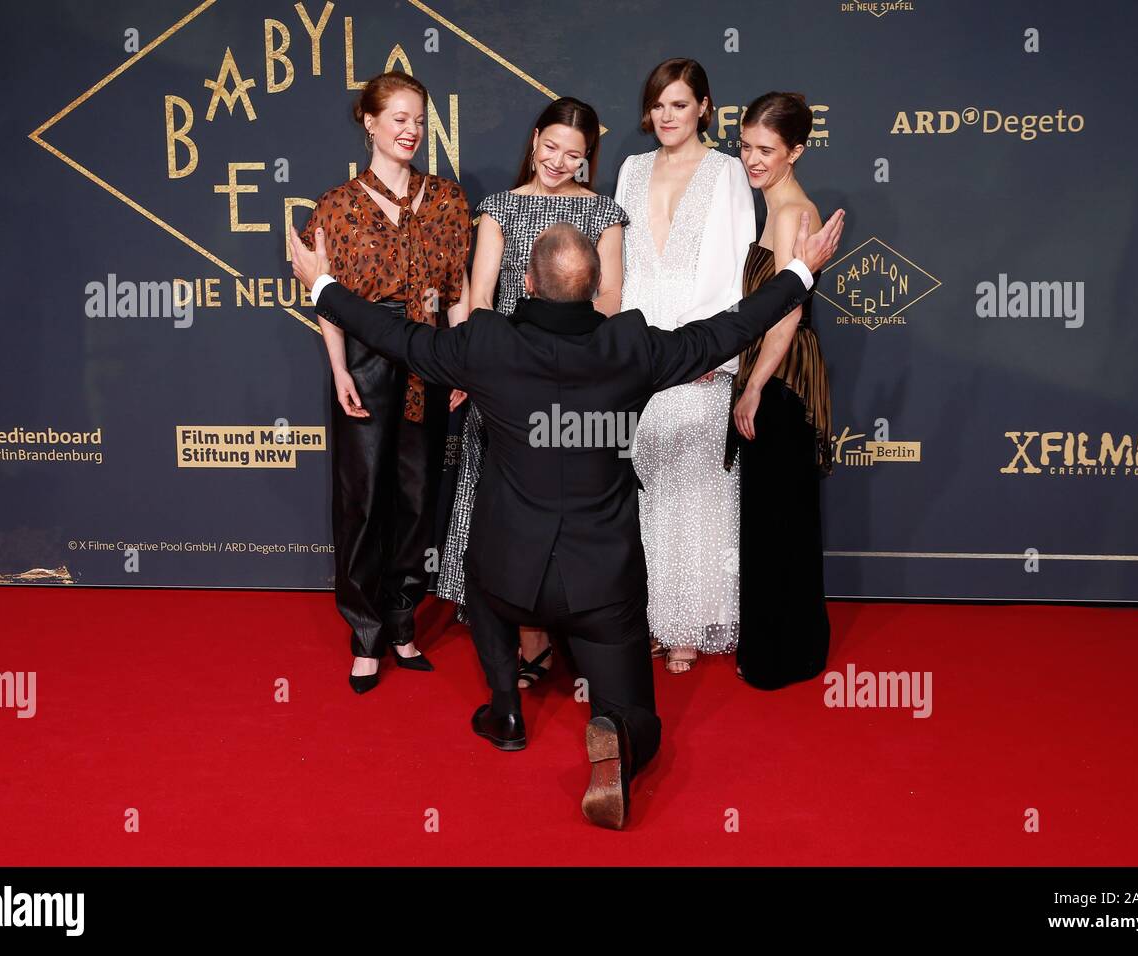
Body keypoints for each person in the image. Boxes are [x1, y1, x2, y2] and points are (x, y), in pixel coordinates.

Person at [288, 208, 845, 828]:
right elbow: (726, 330)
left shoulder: (486, 344)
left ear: (526, 282)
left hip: (506, 573)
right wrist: (801, 270)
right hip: (602, 584)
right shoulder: (631, 345)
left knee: (477, 568)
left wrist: (321, 286)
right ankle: (618, 734)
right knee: (641, 721)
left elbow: (397, 338)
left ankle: (504, 710)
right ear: (597, 282)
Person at [436, 97, 628, 691]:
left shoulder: (605, 214)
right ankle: (528, 641)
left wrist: (555, 354)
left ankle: (577, 635)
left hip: (579, 384)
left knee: (575, 512)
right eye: (550, 147)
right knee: (509, 515)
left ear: (587, 159)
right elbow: (481, 299)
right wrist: (483, 367)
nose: (558, 161)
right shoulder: (498, 209)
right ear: (535, 137)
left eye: (574, 155)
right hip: (511, 386)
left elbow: (612, 301)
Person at [298, 71, 471, 694]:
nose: (411, 131)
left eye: (419, 120)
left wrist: (461, 358)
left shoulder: (448, 200)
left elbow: (460, 291)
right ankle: (365, 633)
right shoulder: (336, 207)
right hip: (367, 359)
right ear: (369, 123)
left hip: (428, 354)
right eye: (398, 118)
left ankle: (403, 622)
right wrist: (340, 369)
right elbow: (329, 301)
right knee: (364, 499)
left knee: (418, 497)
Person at [615, 58, 756, 674]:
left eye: (680, 104)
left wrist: (715, 352)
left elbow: (736, 267)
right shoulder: (630, 169)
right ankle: (647, 614)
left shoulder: (727, 171)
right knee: (645, 486)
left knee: (697, 487)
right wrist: (616, 342)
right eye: (659, 105)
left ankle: (689, 624)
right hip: (638, 347)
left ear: (704, 107)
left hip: (699, 349)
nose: (667, 116)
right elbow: (616, 262)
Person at [728, 92, 833, 689]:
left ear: (795, 150)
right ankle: (772, 643)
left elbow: (788, 314)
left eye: (766, 149)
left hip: (785, 379)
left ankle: (789, 653)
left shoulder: (798, 213)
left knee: (783, 516)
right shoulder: (770, 209)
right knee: (768, 516)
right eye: (745, 146)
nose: (752, 159)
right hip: (763, 371)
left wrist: (755, 387)